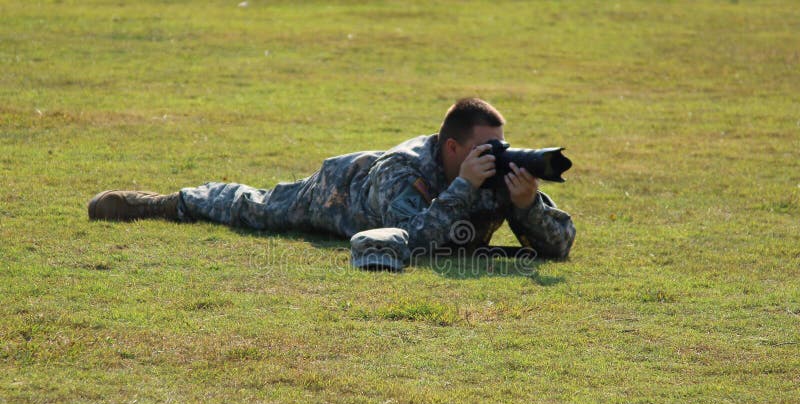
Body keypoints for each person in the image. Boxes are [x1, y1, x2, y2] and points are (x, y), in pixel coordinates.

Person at [88, 98, 576, 258]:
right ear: (453, 149)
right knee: (255, 209)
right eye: (485, 149)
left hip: (405, 195)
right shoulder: (402, 171)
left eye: (500, 147)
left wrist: (527, 205)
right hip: (341, 193)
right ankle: (165, 203)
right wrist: (464, 187)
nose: (496, 158)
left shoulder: (493, 175)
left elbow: (561, 245)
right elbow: (412, 241)